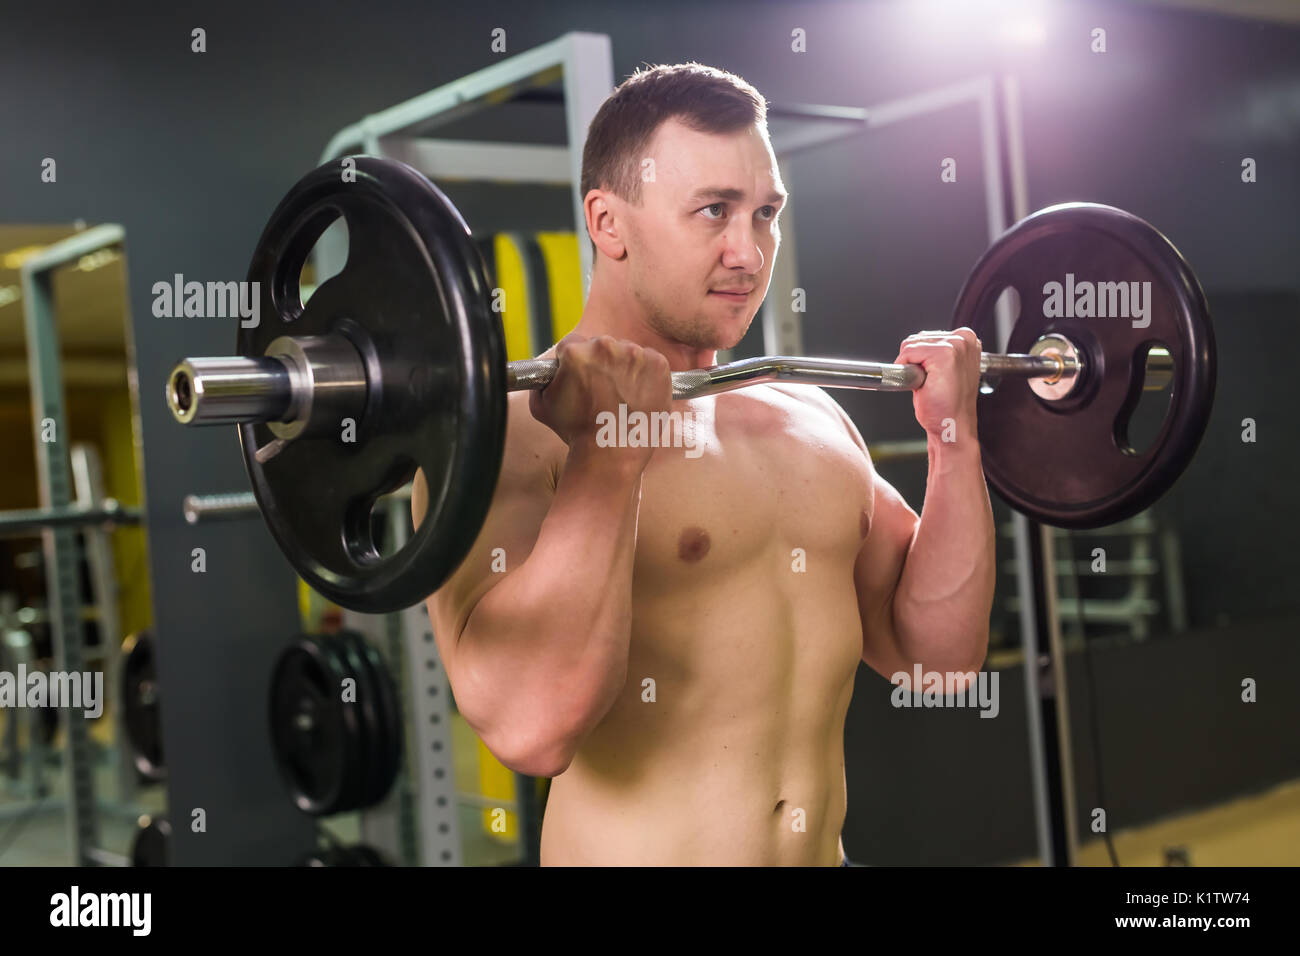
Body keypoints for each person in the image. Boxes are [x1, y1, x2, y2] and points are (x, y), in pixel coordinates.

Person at [413, 62, 995, 866]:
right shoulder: (509, 438)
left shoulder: (807, 417)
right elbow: (531, 727)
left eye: (765, 214)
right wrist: (608, 455)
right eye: (714, 211)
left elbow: (938, 658)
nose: (748, 253)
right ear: (609, 224)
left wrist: (954, 439)